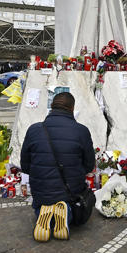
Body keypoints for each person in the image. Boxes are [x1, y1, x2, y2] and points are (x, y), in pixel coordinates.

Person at [20, 92, 95, 242]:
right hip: (70, 193)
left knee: (43, 202)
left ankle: (44, 212)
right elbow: (89, 166)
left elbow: (25, 166)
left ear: (52, 107)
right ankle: (65, 213)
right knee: (76, 205)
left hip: (41, 193)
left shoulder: (34, 129)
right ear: (72, 109)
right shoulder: (82, 131)